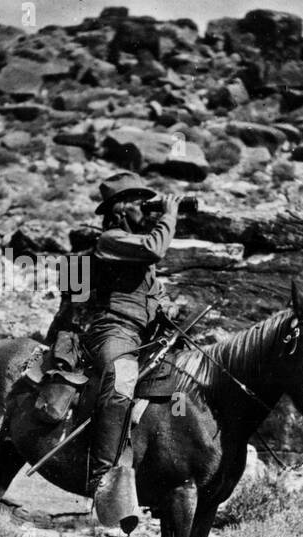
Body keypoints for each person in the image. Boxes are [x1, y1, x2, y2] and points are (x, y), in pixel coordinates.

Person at [83, 172, 183, 499]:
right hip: (113, 327)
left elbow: (154, 292)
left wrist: (168, 307)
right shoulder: (111, 239)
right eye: (141, 202)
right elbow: (156, 248)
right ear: (122, 208)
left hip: (142, 332)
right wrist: (169, 214)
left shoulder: (135, 251)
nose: (146, 208)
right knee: (121, 380)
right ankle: (102, 478)